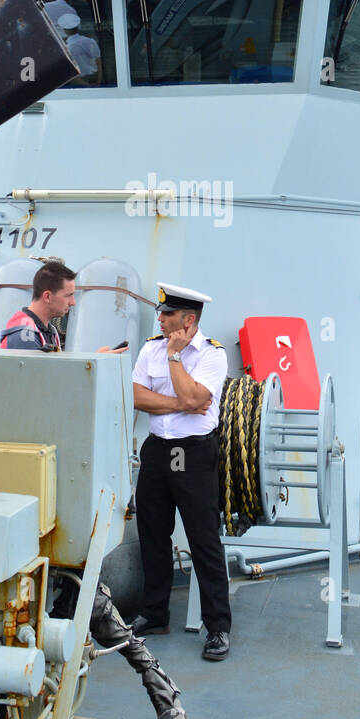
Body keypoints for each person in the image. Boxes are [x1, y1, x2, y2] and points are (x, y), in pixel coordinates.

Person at [131, 282, 231, 661]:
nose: (160, 317)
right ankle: (155, 613)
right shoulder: (149, 347)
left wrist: (175, 360)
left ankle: (218, 626)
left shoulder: (211, 355)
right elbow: (138, 397)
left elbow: (197, 400)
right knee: (152, 533)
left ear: (188, 320)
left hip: (192, 455)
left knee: (203, 539)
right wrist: (179, 404)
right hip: (158, 451)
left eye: (167, 313)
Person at [0, 260, 76, 352]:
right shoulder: (24, 336)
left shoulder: (48, 331)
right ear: (47, 296)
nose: (73, 302)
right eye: (68, 295)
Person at [57, 9, 102, 86]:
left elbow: (72, 75)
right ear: (78, 26)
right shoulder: (91, 41)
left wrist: (87, 86)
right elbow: (99, 63)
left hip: (80, 82)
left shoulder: (66, 48)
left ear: (64, 30)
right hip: (94, 77)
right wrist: (99, 81)